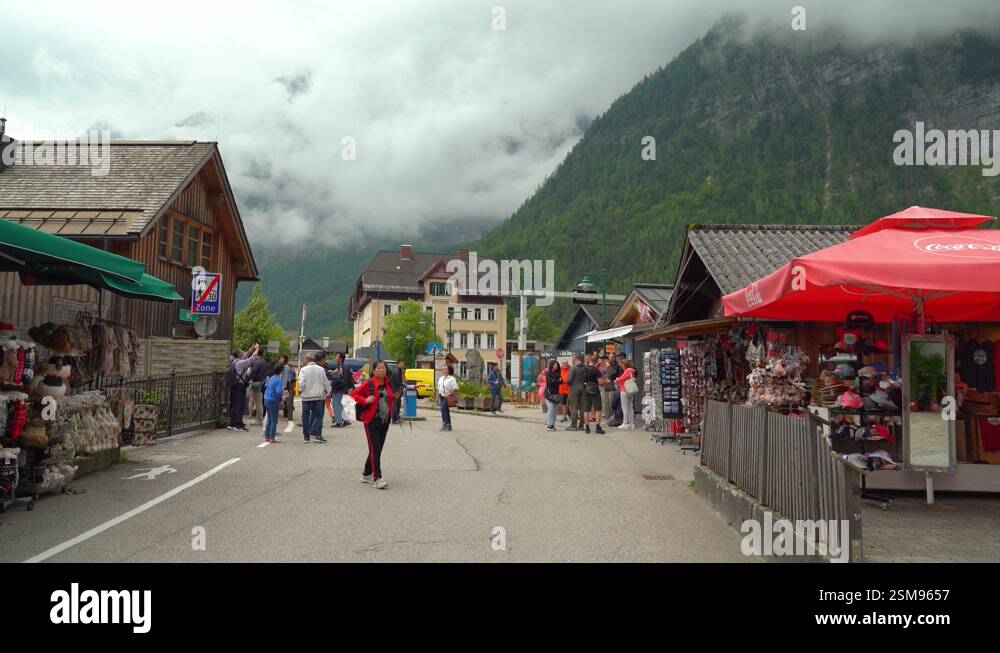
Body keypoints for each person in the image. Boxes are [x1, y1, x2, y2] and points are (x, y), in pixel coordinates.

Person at [351, 360, 395, 490]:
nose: (381, 370)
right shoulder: (369, 383)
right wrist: (365, 400)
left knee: (376, 449)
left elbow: (389, 398)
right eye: (379, 368)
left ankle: (366, 474)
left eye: (383, 368)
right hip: (371, 421)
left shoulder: (388, 383)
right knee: (376, 449)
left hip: (385, 420)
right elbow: (354, 394)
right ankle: (377, 478)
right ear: (374, 370)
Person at [225, 344, 259, 431]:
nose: (243, 352)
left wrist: (250, 350)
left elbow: (245, 356)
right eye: (241, 351)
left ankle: (232, 424)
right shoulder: (240, 363)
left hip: (234, 386)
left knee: (234, 405)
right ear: (239, 354)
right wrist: (257, 349)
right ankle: (238, 425)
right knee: (239, 405)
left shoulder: (234, 362)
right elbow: (251, 359)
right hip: (240, 386)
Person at [298, 353, 331, 443]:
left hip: (306, 396)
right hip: (318, 396)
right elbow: (326, 383)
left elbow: (302, 383)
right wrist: (327, 392)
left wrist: (301, 390)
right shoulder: (321, 369)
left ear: (307, 359)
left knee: (305, 416)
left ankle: (306, 437)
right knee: (319, 416)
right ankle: (318, 436)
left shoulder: (303, 370)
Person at [328, 352, 354, 428]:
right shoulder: (344, 367)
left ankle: (339, 422)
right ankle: (345, 420)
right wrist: (351, 387)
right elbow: (350, 378)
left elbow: (340, 378)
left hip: (338, 388)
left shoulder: (341, 367)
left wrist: (332, 383)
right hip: (342, 388)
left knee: (336, 405)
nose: (336, 358)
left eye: (337, 356)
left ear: (340, 359)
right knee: (338, 404)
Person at [581, 355, 605, 434]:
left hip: (585, 390)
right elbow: (600, 382)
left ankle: (587, 428)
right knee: (598, 408)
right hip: (595, 390)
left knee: (586, 410)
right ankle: (597, 427)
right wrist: (606, 382)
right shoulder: (596, 370)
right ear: (596, 361)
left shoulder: (583, 369)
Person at [263, 363, 285, 443]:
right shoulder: (279, 380)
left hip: (266, 398)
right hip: (273, 400)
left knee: (269, 419)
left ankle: (267, 437)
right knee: (274, 420)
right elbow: (278, 392)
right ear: (281, 371)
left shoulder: (272, 377)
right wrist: (282, 398)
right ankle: (272, 438)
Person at [616, 359, 637, 430]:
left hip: (624, 391)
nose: (621, 366)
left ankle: (625, 423)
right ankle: (632, 423)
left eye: (622, 364)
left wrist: (617, 379)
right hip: (630, 391)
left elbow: (621, 379)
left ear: (624, 364)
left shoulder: (627, 371)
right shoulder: (631, 371)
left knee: (625, 408)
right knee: (630, 407)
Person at [566, 354, 585, 431]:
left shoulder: (574, 368)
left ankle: (573, 425)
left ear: (576, 358)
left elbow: (569, 380)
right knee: (582, 407)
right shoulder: (585, 367)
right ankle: (581, 425)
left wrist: (569, 384)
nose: (572, 359)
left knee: (573, 407)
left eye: (573, 358)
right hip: (583, 388)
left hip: (574, 389)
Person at [605, 352, 624, 427]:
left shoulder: (617, 366)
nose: (611, 358)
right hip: (606, 386)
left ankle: (614, 419)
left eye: (612, 357)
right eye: (610, 357)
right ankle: (608, 419)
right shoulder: (606, 365)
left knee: (612, 404)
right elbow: (604, 374)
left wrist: (609, 367)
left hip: (613, 387)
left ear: (615, 357)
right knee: (606, 404)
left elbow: (615, 374)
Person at [437, 364, 459, 432]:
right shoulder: (441, 378)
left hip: (447, 397)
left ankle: (445, 424)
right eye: (443, 368)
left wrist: (449, 394)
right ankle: (448, 425)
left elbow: (455, 388)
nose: (444, 370)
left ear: (449, 370)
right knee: (446, 410)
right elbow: (439, 388)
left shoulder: (452, 379)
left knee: (443, 410)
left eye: (445, 369)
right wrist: (437, 397)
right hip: (441, 396)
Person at [543, 360, 563, 432]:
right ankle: (549, 425)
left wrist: (554, 381)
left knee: (555, 411)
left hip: (556, 394)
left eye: (557, 364)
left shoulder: (558, 373)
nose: (556, 366)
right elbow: (550, 382)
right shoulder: (548, 373)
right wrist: (556, 381)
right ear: (551, 365)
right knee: (551, 409)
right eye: (555, 364)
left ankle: (552, 425)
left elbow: (561, 381)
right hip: (549, 394)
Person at [389, 360, 404, 424]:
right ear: (397, 364)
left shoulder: (399, 370)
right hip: (395, 391)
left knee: (398, 404)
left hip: (397, 390)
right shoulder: (397, 371)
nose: (402, 364)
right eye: (401, 363)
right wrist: (403, 385)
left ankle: (397, 418)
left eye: (403, 363)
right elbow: (398, 382)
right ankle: (395, 419)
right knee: (396, 405)